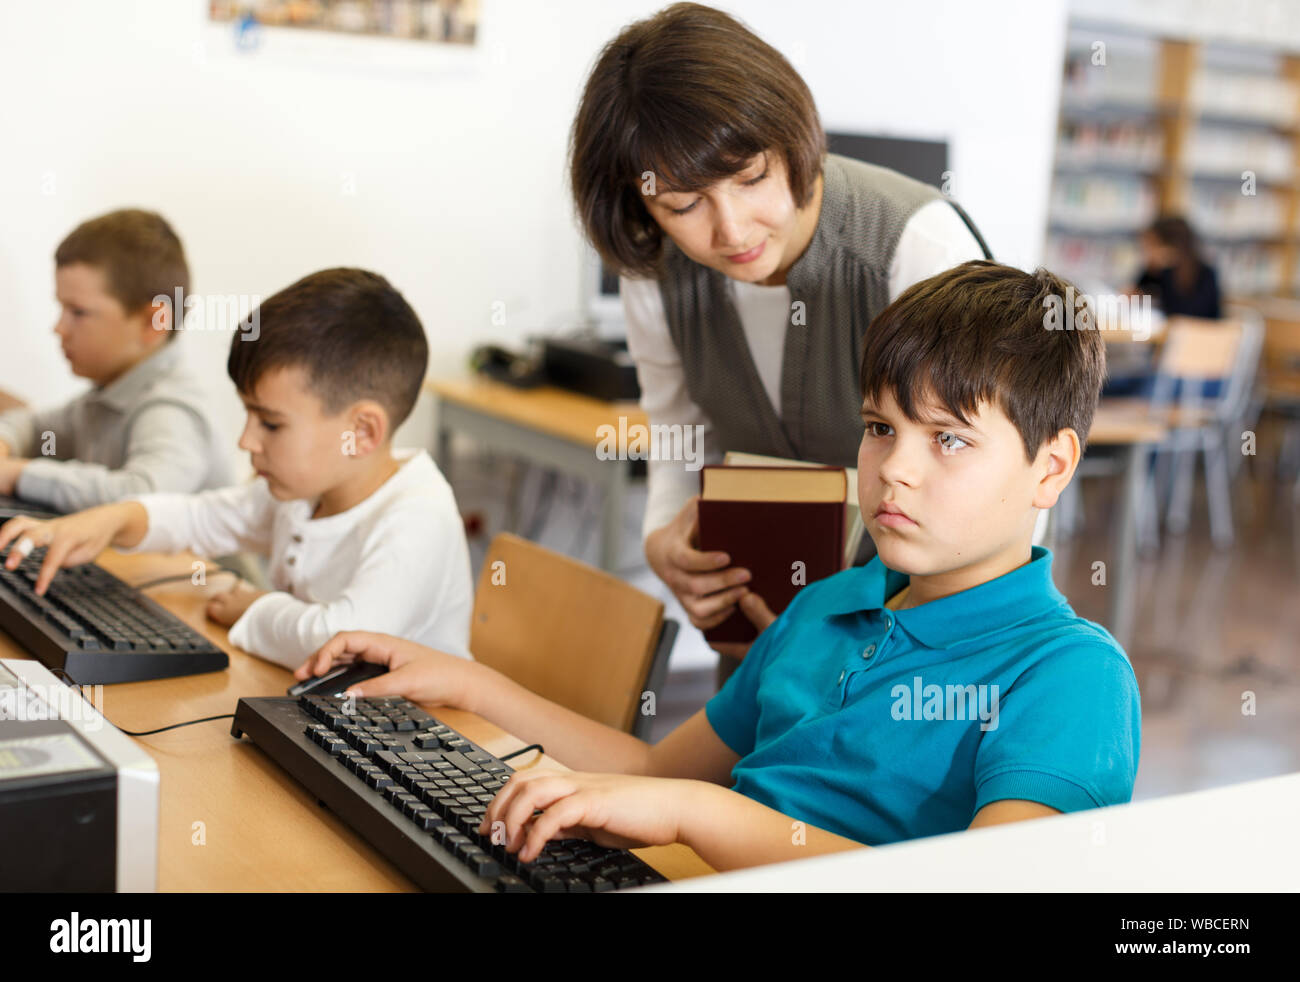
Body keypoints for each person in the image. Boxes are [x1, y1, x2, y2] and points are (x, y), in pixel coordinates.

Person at [290, 261, 1140, 872]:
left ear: (1051, 466)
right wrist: (466, 683)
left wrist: (699, 813)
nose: (896, 469)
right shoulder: (830, 604)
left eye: (949, 439)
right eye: (880, 428)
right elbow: (659, 774)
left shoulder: (1071, 676)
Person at [569, 3, 989, 677]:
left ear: (792, 136)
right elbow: (680, 428)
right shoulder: (656, 270)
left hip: (925, 641)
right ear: (639, 205)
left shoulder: (914, 246)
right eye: (682, 205)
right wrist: (661, 538)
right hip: (766, 641)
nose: (731, 229)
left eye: (751, 178)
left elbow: (990, 463)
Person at [0, 268, 474, 670]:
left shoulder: (417, 517)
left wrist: (255, 607)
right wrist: (113, 519)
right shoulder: (305, 490)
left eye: (270, 423)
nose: (247, 440)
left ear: (363, 432)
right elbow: (201, 518)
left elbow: (343, 638)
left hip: (419, 742)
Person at [0, 209, 233, 511]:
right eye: (61, 309)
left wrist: (18, 475)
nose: (58, 328)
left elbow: (143, 497)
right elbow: (34, 427)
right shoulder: (105, 397)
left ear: (154, 322)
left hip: (203, 561)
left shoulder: (171, 407)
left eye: (78, 313)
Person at [1132, 214, 1221, 320]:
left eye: (1152, 246)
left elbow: (1197, 313)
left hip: (1200, 332)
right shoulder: (1161, 271)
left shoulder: (1205, 273)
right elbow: (1135, 294)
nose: (1149, 252)